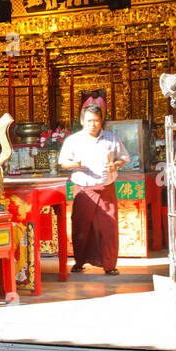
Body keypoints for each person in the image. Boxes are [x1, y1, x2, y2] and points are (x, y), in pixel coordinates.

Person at [57, 102, 128, 275]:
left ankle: (110, 265)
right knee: (81, 227)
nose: (92, 124)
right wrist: (75, 164)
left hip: (106, 188)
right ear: (82, 121)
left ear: (101, 121)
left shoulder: (111, 139)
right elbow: (63, 163)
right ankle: (79, 262)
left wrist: (115, 165)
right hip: (84, 189)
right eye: (89, 121)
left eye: (96, 120)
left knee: (108, 227)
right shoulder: (73, 140)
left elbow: (123, 157)